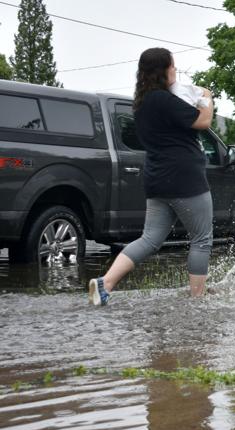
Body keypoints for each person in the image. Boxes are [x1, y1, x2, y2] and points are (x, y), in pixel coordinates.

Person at [89, 47, 215, 306]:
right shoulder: (164, 100)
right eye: (172, 66)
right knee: (202, 239)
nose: (175, 71)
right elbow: (203, 122)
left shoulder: (141, 104)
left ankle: (106, 283)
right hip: (185, 178)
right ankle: (197, 301)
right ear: (163, 70)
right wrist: (207, 97)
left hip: (157, 180)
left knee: (150, 239)